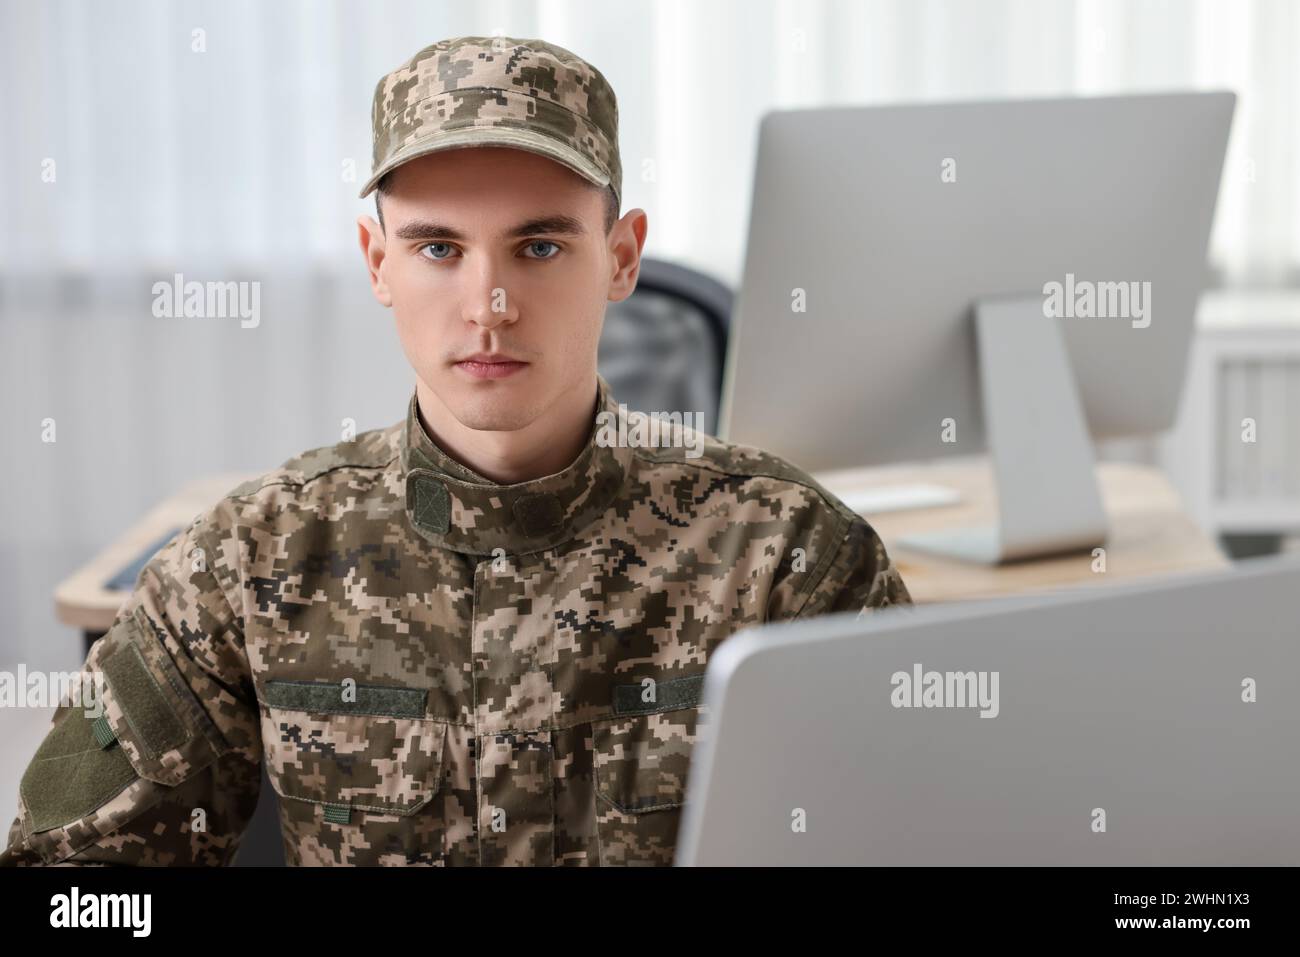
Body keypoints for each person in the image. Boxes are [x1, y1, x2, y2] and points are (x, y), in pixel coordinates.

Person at [0, 35, 911, 867]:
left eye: (541, 246)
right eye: (438, 247)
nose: (490, 305)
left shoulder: (785, 555)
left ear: (622, 257)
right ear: (377, 261)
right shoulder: (247, 562)